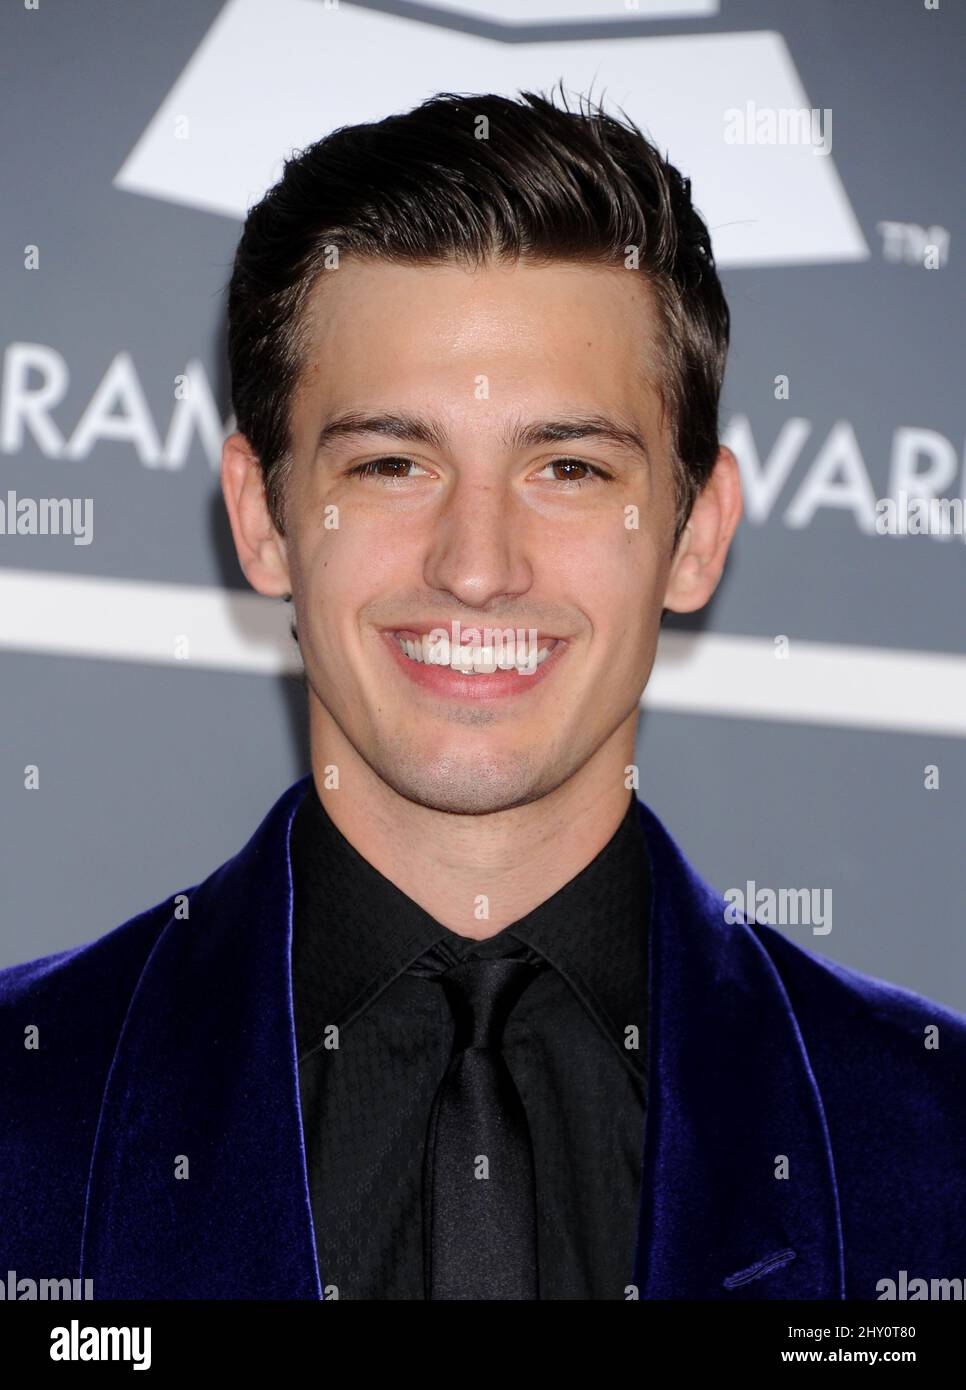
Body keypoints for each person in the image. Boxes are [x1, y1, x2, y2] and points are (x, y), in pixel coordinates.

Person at [2, 88, 965, 1303]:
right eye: (392, 463)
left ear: (695, 531)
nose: (475, 564)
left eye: (568, 467)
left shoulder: (933, 1134)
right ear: (263, 518)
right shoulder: (26, 1094)